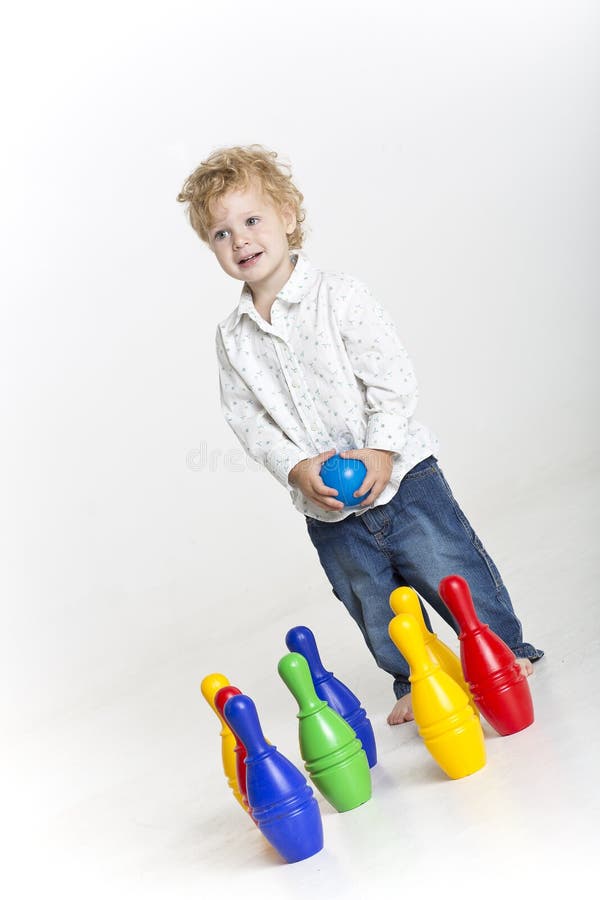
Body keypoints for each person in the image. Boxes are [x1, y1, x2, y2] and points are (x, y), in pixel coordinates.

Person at [176, 144, 544, 725]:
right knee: (369, 596)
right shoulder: (233, 338)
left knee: (450, 566)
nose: (240, 240)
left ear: (288, 217)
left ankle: (504, 651)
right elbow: (248, 419)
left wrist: (380, 449)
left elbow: (392, 377)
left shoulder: (339, 296)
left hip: (403, 478)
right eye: (221, 234)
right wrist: (297, 468)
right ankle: (413, 677)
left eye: (251, 221)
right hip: (327, 507)